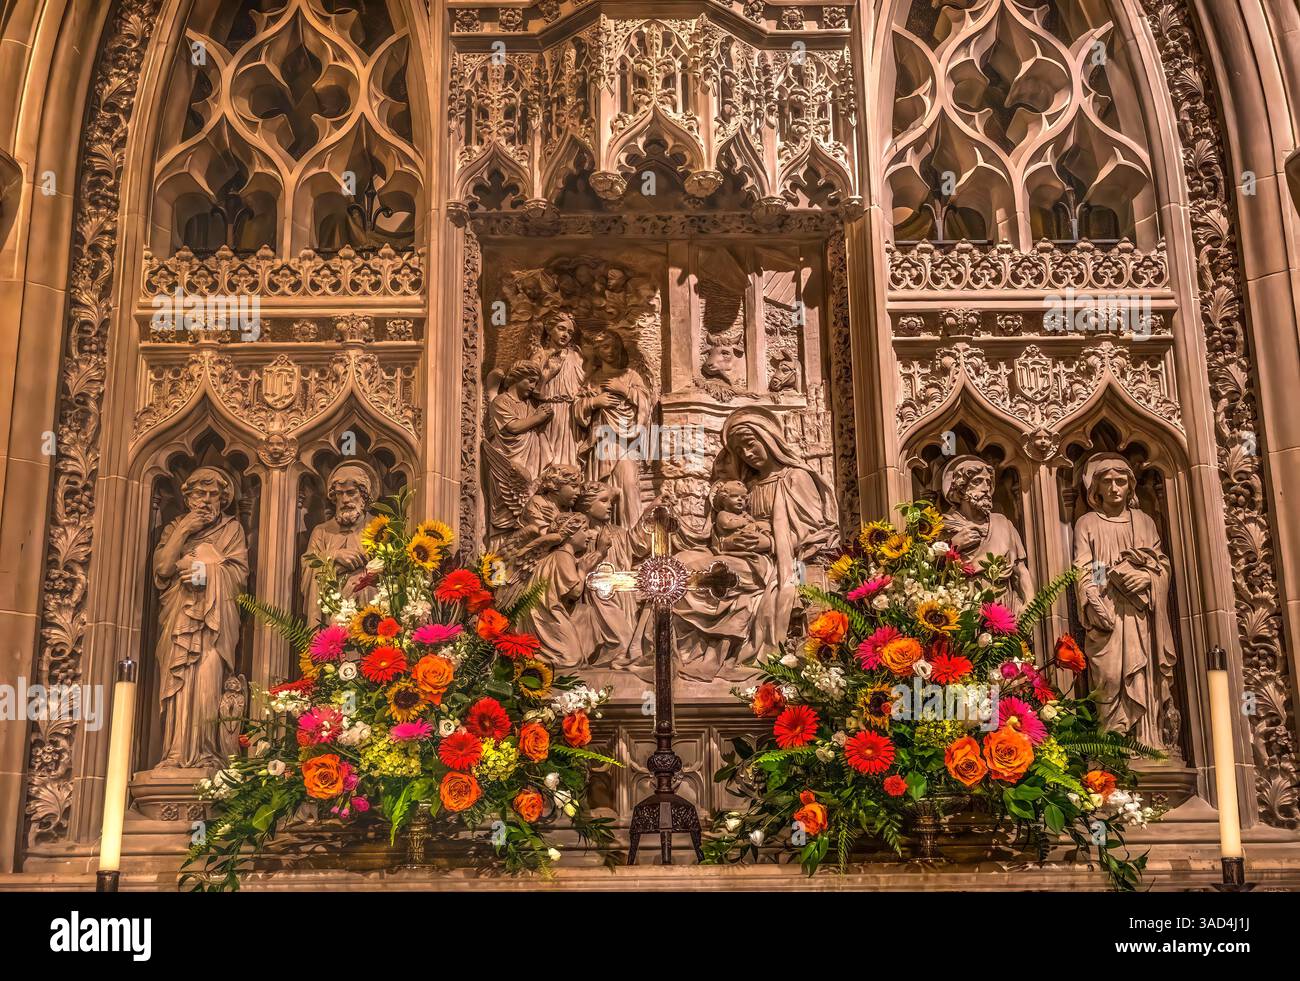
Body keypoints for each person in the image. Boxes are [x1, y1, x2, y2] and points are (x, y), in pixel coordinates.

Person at [1072, 453, 1177, 747]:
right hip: (1107, 611)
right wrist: (1095, 593)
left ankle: (1148, 739)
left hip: (1140, 614)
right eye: (1108, 482)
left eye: (1121, 481)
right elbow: (1084, 567)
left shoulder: (1143, 522)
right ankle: (1112, 743)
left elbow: (1161, 564)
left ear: (1131, 486)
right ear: (1097, 488)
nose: (1115, 487)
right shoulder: (1087, 523)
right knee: (1109, 677)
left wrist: (1148, 579)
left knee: (1142, 674)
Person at [152, 466, 248, 770]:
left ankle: (207, 752)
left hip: (212, 626)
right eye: (199, 495)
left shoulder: (231, 530)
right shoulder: (173, 529)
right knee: (178, 686)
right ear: (188, 498)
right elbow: (164, 570)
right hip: (179, 622)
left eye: (213, 495)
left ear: (223, 499)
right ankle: (176, 752)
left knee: (207, 683)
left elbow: (239, 576)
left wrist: (209, 572)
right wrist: (184, 531)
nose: (206, 501)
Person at [300, 462, 378, 621]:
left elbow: (392, 575)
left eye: (351, 493)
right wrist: (333, 556)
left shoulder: (379, 529)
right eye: (339, 494)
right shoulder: (322, 532)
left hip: (369, 615)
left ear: (364, 496)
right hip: (330, 617)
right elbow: (307, 567)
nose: (345, 499)